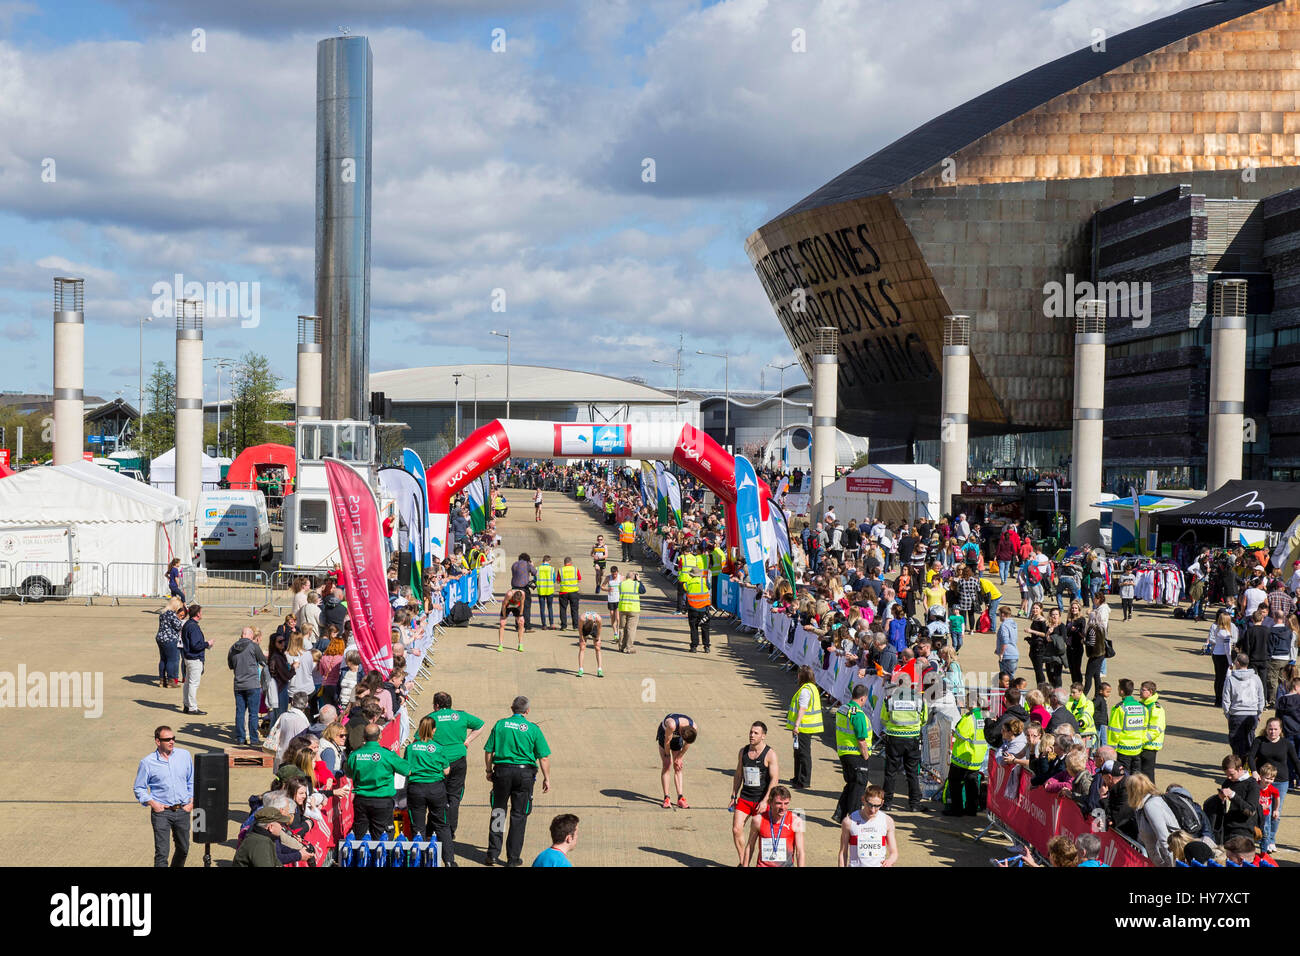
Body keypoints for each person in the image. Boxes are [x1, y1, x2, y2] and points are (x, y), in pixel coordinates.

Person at [484, 695, 552, 867]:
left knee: (498, 812)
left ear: (511, 708)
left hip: (502, 772)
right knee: (519, 816)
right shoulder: (532, 729)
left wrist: (488, 770)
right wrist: (547, 778)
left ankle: (492, 853)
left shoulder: (500, 724)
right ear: (527, 711)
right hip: (524, 774)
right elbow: (543, 757)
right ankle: (513, 858)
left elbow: (488, 751)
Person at [426, 691, 484, 851]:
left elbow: (420, 739)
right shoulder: (461, 716)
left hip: (437, 762)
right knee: (454, 797)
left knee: (436, 796)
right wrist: (467, 741)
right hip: (458, 760)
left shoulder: (431, 718)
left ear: (436, 705)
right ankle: (450, 831)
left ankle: (432, 830)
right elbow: (480, 725)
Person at [132, 725, 193, 868]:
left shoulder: (184, 755)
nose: (172, 742)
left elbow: (191, 780)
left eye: (173, 738)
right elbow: (139, 788)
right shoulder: (147, 762)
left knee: (183, 849)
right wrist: (152, 803)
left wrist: (191, 802)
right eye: (167, 739)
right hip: (161, 813)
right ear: (158, 741)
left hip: (182, 810)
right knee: (162, 853)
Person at [404, 716, 454, 865]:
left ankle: (420, 861)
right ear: (434, 730)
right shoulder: (438, 748)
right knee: (442, 825)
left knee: (418, 827)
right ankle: (449, 861)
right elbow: (446, 771)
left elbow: (407, 770)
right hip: (436, 788)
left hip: (416, 789)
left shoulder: (411, 748)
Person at [346, 722, 409, 839]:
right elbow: (406, 770)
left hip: (361, 801)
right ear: (380, 736)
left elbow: (349, 774)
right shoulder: (387, 755)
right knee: (383, 838)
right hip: (382, 801)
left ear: (363, 737)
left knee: (360, 836)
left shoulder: (355, 755)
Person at [730, 721, 779, 866]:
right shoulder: (743, 751)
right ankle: (743, 862)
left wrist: (765, 801)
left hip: (761, 800)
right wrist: (734, 795)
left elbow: (774, 779)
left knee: (756, 835)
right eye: (751, 732)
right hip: (745, 798)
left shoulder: (770, 754)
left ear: (763, 736)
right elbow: (738, 774)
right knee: (736, 829)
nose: (751, 735)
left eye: (756, 733)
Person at [1250, 717, 1300, 853]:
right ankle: (1263, 837)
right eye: (1270, 729)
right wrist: (1254, 772)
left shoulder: (1286, 743)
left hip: (1281, 781)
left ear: (1280, 730)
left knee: (1276, 812)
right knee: (1264, 811)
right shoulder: (1259, 741)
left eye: (1275, 729)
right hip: (1262, 782)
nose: (1272, 732)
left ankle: (1271, 839)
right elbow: (1250, 757)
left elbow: (1295, 761)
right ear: (1266, 729)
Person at [881, 674, 929, 813]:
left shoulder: (889, 699)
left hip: (894, 739)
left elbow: (884, 719)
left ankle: (887, 803)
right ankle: (914, 804)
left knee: (890, 772)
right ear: (910, 685)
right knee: (912, 773)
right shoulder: (919, 700)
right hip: (912, 739)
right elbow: (924, 719)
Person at [833, 684, 873, 824]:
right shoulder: (858, 714)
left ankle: (840, 814)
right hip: (856, 754)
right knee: (858, 789)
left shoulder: (843, 709)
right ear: (863, 698)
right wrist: (866, 756)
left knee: (851, 785)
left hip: (844, 752)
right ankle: (854, 819)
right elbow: (861, 739)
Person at [1202, 754, 1260, 844]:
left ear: (1240, 769)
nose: (1229, 777)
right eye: (1226, 775)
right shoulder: (1227, 782)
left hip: (1243, 832)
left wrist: (1233, 796)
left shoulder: (1252, 785)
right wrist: (1221, 800)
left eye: (1231, 774)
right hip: (1226, 830)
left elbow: (1251, 811)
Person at [226, 626, 267, 747]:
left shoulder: (232, 648)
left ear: (241, 635)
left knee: (240, 712)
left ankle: (240, 738)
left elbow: (230, 665)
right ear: (250, 635)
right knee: (253, 713)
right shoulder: (253, 646)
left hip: (238, 684)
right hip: (252, 684)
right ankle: (254, 739)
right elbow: (263, 661)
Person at [838, 785, 898, 867]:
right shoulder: (849, 822)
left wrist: (889, 861)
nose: (873, 810)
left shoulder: (887, 821)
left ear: (882, 803)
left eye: (877, 806)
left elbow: (894, 853)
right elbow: (843, 853)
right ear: (863, 800)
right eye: (870, 805)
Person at [745, 785, 804, 867]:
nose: (783, 807)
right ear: (770, 803)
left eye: (786, 803)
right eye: (778, 803)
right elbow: (750, 846)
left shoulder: (796, 820)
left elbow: (800, 851)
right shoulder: (758, 820)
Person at [945, 704, 988, 816]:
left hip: (963, 757)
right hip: (977, 757)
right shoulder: (984, 717)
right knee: (972, 785)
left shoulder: (970, 717)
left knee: (955, 783)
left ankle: (957, 810)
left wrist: (955, 732)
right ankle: (971, 810)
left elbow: (960, 733)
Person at [1127, 772, 1178, 866]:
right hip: (1158, 861)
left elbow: (1164, 839)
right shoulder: (1142, 806)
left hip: (1166, 862)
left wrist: (1172, 864)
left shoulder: (1151, 806)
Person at [786, 666, 822, 789]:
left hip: (804, 726)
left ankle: (804, 780)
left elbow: (802, 708)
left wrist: (796, 725)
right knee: (798, 752)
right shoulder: (812, 688)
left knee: (803, 754)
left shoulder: (805, 690)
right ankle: (797, 776)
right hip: (807, 725)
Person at [1224, 652, 1266, 758]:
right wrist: (1259, 713)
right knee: (1250, 741)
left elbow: (1226, 699)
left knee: (1236, 744)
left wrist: (1228, 714)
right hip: (1252, 714)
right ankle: (1249, 765)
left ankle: (1239, 766)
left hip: (1236, 715)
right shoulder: (1256, 678)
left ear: (1238, 663)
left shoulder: (1230, 679)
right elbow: (1261, 697)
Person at [657, 713, 698, 808]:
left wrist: (679, 757)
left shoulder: (693, 727)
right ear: (681, 732)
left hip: (676, 739)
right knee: (667, 765)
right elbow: (667, 742)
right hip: (665, 736)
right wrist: (667, 755)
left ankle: (680, 797)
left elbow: (687, 743)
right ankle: (666, 797)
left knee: (678, 767)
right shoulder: (672, 725)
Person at [1108, 678, 1146, 774]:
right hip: (1137, 748)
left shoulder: (1120, 708)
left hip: (1123, 750)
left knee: (1124, 778)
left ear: (1121, 691)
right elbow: (1144, 728)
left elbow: (1114, 731)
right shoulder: (1142, 707)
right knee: (1136, 778)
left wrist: (1111, 749)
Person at [179, 604, 211, 715]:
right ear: (197, 614)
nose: (201, 614)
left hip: (188, 657)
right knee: (193, 684)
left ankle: (187, 705)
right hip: (194, 658)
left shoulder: (188, 624)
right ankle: (192, 707)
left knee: (188, 683)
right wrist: (207, 644)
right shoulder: (193, 627)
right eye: (201, 612)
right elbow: (196, 645)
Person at [1205, 610, 1237, 708]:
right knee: (1223, 678)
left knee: (1218, 678)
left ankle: (1218, 699)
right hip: (1223, 655)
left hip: (1216, 654)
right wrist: (1230, 662)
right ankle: (1221, 699)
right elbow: (1227, 650)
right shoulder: (1226, 633)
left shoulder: (1218, 629)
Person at [155, 597, 185, 689]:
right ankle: (171, 681)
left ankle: (162, 680)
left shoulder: (162, 613)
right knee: (172, 660)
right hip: (170, 639)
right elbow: (178, 626)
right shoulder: (171, 614)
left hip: (160, 638)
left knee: (163, 659)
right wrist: (181, 620)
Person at [684, 565, 712, 653]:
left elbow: (686, 591)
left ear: (691, 575)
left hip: (693, 608)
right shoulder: (704, 581)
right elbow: (709, 587)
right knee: (705, 628)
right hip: (704, 609)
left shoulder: (687, 583)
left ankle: (694, 646)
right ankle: (706, 646)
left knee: (693, 628)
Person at [618, 571, 646, 653]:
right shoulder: (636, 584)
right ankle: (629, 647)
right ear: (634, 577)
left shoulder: (621, 584)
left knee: (622, 628)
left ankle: (621, 646)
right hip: (633, 609)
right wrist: (639, 580)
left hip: (623, 608)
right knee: (631, 629)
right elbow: (643, 591)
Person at [497, 587, 526, 652]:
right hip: (507, 607)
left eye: (517, 601)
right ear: (513, 596)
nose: (515, 602)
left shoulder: (523, 594)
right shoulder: (509, 594)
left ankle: (520, 644)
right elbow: (504, 605)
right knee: (502, 624)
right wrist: (504, 616)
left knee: (521, 623)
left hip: (517, 607)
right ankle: (500, 645)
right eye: (515, 600)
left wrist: (520, 615)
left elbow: (522, 604)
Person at [576, 612, 604, 678]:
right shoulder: (582, 618)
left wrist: (598, 636)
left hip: (595, 628)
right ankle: (580, 669)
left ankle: (599, 669)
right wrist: (581, 637)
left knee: (598, 647)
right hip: (584, 629)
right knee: (582, 647)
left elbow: (599, 628)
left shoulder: (598, 618)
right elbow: (580, 628)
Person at [557, 557, 582, 630]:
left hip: (563, 592)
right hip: (574, 592)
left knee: (563, 609)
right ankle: (575, 626)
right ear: (571, 562)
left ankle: (563, 626)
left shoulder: (561, 570)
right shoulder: (575, 569)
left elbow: (558, 581)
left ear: (564, 563)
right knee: (574, 609)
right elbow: (579, 580)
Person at [994, 605, 1019, 677]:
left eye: (999, 614)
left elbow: (1005, 641)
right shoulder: (1013, 624)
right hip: (1014, 653)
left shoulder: (1004, 626)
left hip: (1007, 655)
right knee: (1010, 678)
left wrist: (1001, 653)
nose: (999, 617)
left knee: (1005, 679)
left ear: (1002, 614)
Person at [535, 554, 556, 630]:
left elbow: (535, 578)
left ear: (543, 560)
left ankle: (544, 624)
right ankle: (552, 623)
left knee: (542, 608)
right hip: (549, 590)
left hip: (541, 590)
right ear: (549, 561)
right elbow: (553, 580)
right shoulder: (551, 569)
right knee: (550, 607)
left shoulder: (538, 568)